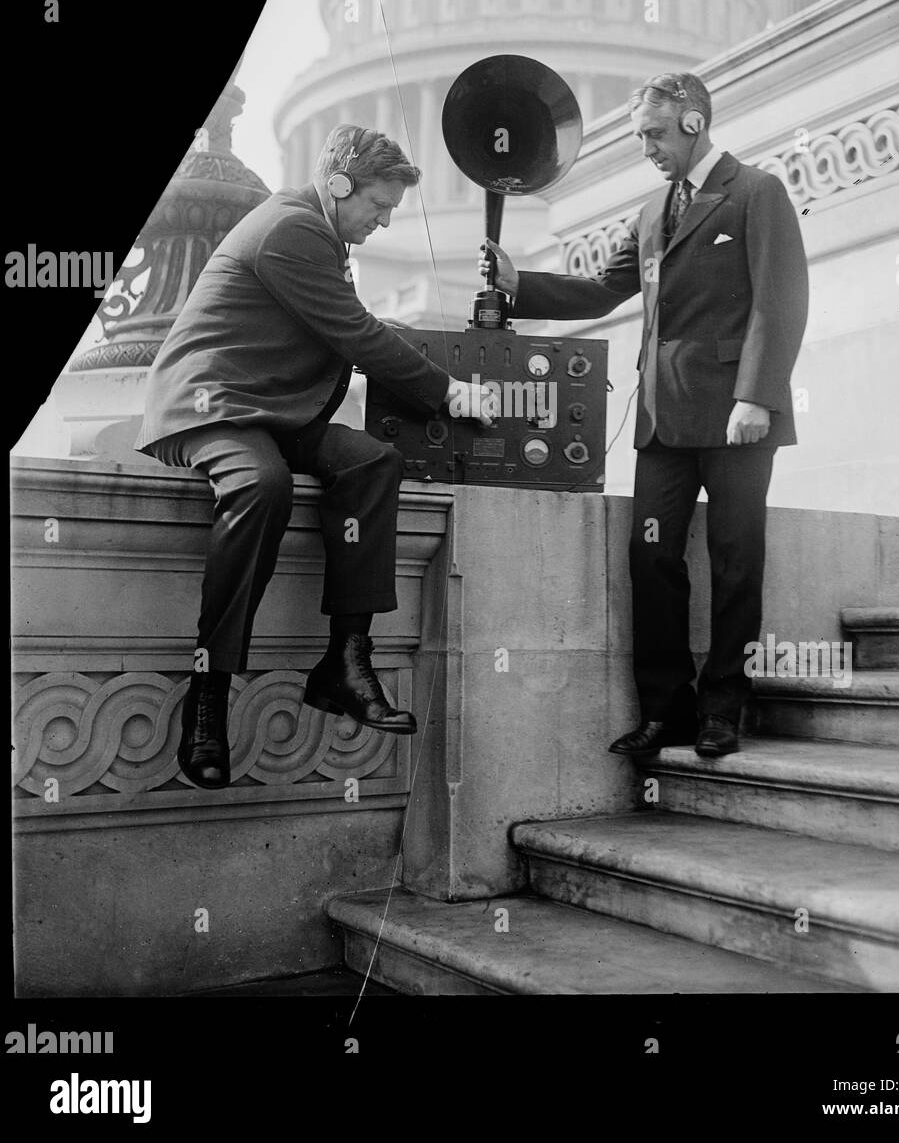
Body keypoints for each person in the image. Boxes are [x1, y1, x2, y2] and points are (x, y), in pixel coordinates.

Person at [136, 123, 494, 789]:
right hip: (211, 405)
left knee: (371, 463)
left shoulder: (322, 233)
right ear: (337, 185)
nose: (384, 221)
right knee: (262, 485)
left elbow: (353, 330)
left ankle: (344, 663)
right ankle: (207, 698)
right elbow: (356, 333)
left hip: (273, 408)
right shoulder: (291, 230)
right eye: (378, 205)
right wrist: (447, 391)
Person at [480, 73, 809, 759]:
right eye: (638, 137)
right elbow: (604, 290)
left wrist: (756, 395)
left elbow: (780, 301)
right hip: (661, 418)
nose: (647, 149)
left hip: (734, 416)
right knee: (650, 556)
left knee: (734, 560)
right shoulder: (650, 211)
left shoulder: (755, 192)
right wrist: (520, 285)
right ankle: (666, 711)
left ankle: (724, 708)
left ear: (693, 121)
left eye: (655, 134)